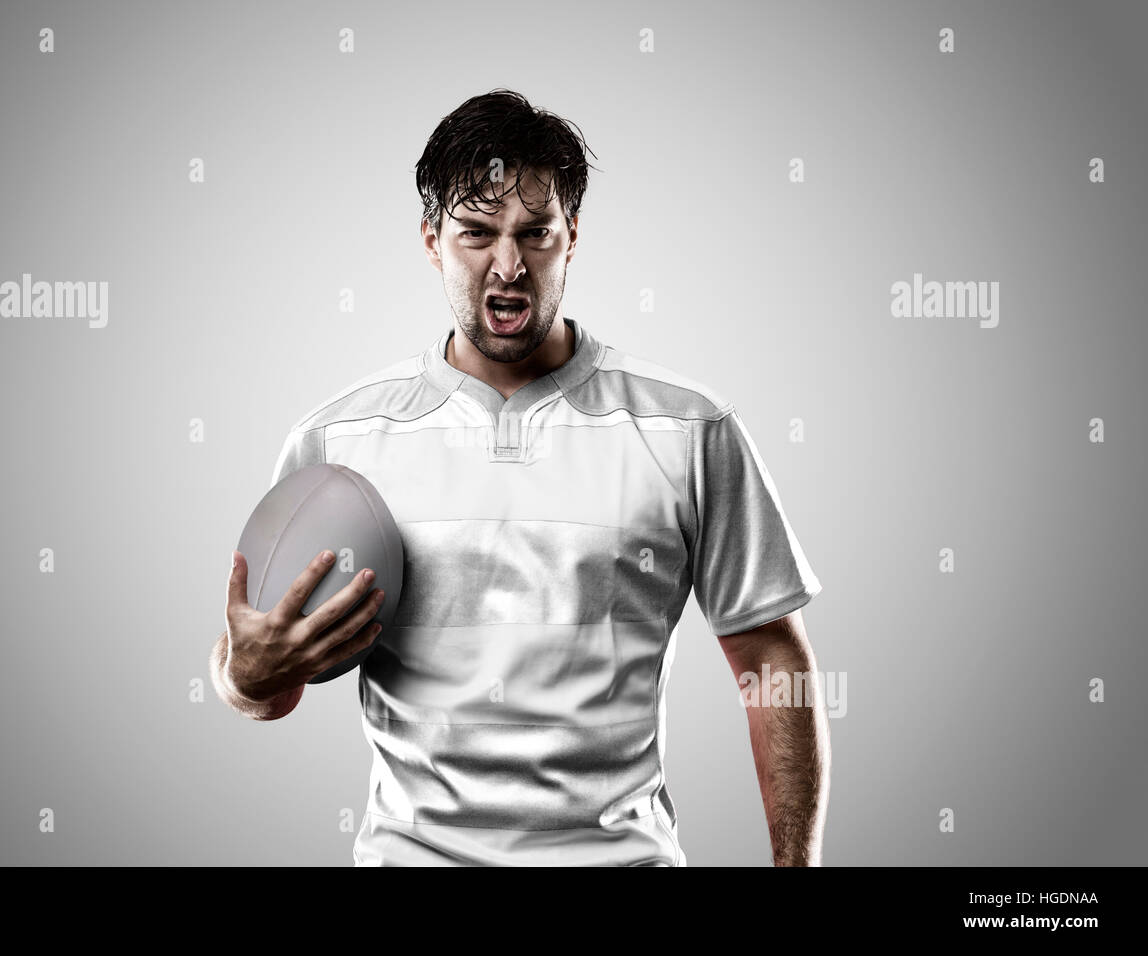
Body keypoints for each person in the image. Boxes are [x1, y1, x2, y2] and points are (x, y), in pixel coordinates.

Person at [210, 89, 829, 866]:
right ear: (432, 239)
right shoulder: (339, 442)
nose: (509, 265)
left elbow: (773, 658)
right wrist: (243, 673)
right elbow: (261, 681)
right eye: (476, 233)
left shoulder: (689, 429)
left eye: (536, 232)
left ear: (573, 238)